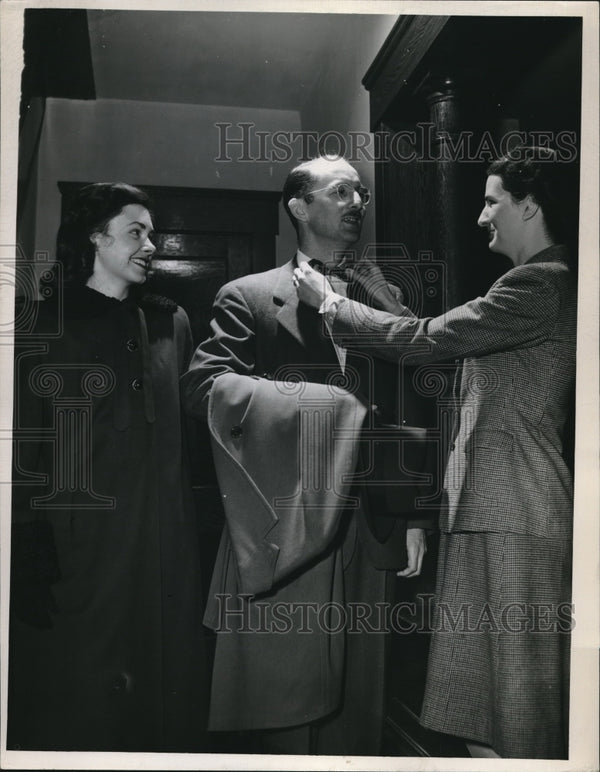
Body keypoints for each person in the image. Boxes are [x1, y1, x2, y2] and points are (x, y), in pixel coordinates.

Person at [294, 147, 577, 759]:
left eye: (492, 201)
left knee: (522, 711)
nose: (481, 217)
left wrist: (335, 304)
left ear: (529, 206)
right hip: (487, 513)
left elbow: (429, 341)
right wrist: (384, 305)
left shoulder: (542, 284)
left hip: (518, 516)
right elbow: (447, 364)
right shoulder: (527, 288)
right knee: (479, 708)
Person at [181, 156, 431, 755]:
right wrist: (325, 407)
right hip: (287, 523)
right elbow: (202, 387)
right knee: (285, 691)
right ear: (298, 205)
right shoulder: (246, 295)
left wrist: (417, 515)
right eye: (341, 190)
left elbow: (413, 402)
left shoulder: (386, 300)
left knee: (359, 700)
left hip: (374, 525)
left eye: (362, 193)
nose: (358, 203)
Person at [8, 183, 208, 752]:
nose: (153, 245)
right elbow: (23, 441)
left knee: (164, 696)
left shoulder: (174, 324)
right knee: (78, 703)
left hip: (167, 549)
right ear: (95, 237)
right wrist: (24, 540)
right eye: (136, 232)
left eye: (153, 233)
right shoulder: (40, 322)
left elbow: (196, 438)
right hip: (78, 553)